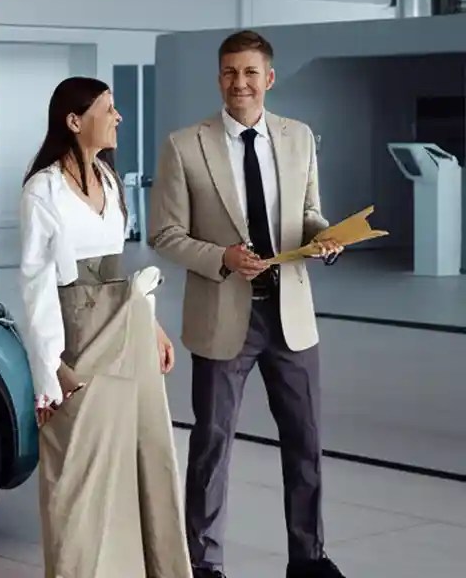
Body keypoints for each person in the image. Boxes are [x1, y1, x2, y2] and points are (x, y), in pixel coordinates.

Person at [148, 30, 346, 578]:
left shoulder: (299, 137)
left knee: (305, 444)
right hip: (223, 316)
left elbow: (309, 212)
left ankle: (308, 559)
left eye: (250, 73)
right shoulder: (184, 145)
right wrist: (223, 257)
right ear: (219, 78)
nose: (240, 83)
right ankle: (203, 564)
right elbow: (164, 234)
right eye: (231, 72)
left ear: (269, 78)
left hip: (292, 316)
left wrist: (324, 236)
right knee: (211, 447)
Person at [18, 76, 191, 578]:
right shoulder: (43, 190)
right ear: (75, 122)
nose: (118, 118)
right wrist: (52, 373)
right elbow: (36, 287)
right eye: (108, 109)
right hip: (81, 342)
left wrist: (152, 326)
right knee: (78, 482)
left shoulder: (111, 182)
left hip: (129, 329)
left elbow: (122, 270)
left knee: (144, 463)